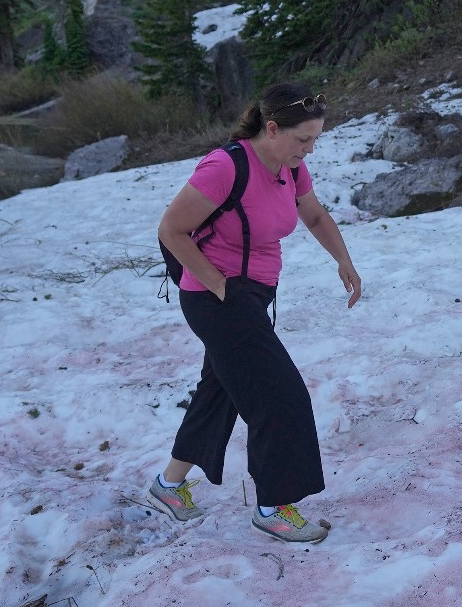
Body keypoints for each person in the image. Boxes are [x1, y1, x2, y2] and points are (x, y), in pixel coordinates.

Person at [148, 82, 362, 543]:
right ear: (271, 129)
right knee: (279, 394)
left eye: (315, 140)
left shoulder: (291, 168)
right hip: (216, 296)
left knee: (221, 390)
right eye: (302, 139)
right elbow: (172, 229)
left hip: (253, 294)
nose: (308, 149)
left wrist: (343, 260)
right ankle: (274, 506)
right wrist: (223, 288)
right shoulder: (226, 166)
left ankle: (168, 484)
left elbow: (316, 217)